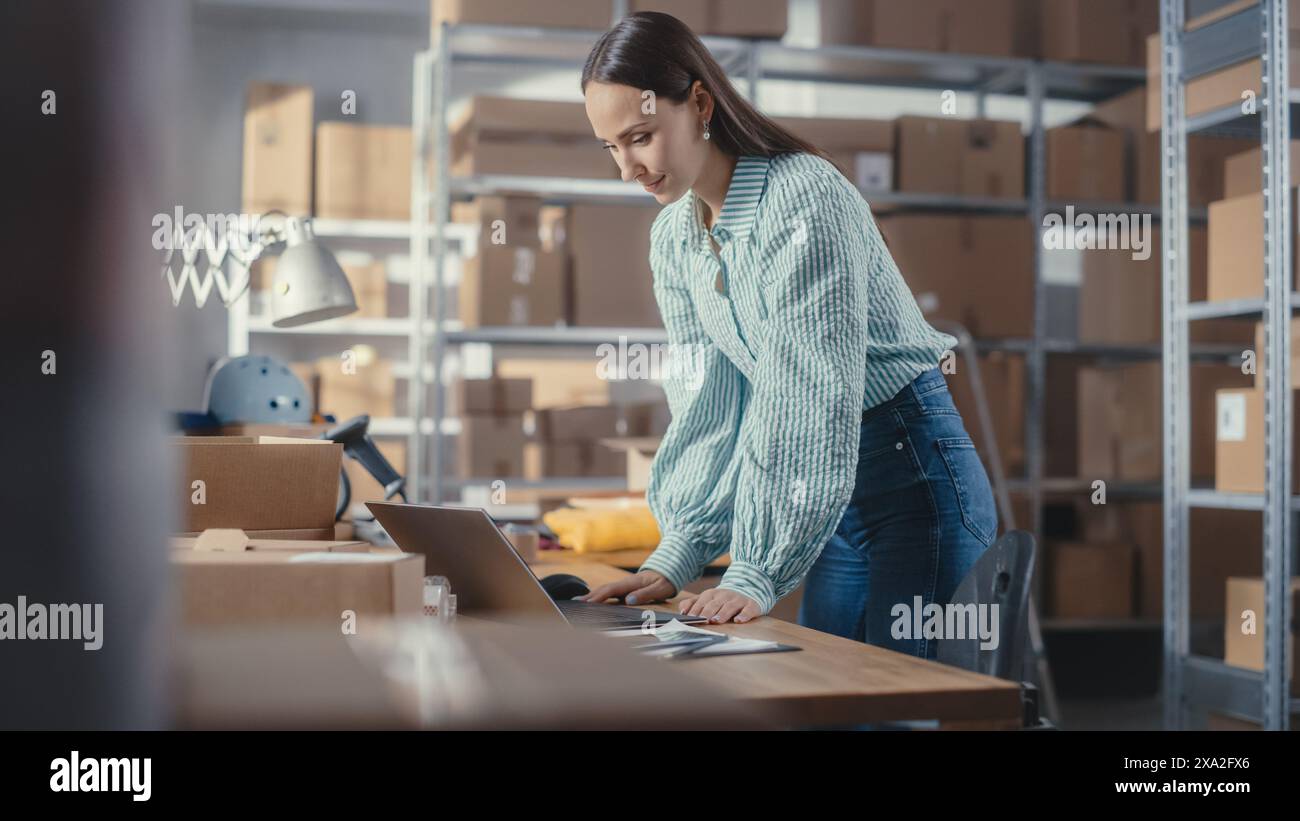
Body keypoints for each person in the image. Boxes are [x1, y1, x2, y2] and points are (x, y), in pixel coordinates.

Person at [576, 12, 998, 659]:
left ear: (699, 103)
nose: (627, 167)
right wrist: (681, 549)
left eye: (641, 136)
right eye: (611, 147)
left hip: (918, 486)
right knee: (832, 703)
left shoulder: (802, 200)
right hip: (833, 498)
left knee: (905, 704)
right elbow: (711, 400)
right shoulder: (675, 236)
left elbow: (808, 394)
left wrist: (756, 568)